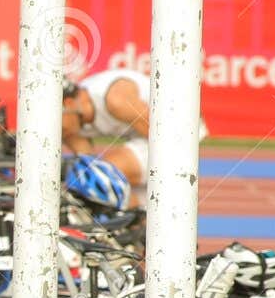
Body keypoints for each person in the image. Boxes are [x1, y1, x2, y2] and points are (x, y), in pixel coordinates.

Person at [62, 69, 208, 202]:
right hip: (145, 138)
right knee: (87, 179)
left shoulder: (115, 100)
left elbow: (165, 138)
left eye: (59, 124)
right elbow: (87, 163)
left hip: (176, 131)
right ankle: (139, 219)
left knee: (104, 174)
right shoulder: (70, 120)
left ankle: (139, 216)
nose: (60, 133)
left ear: (69, 103)